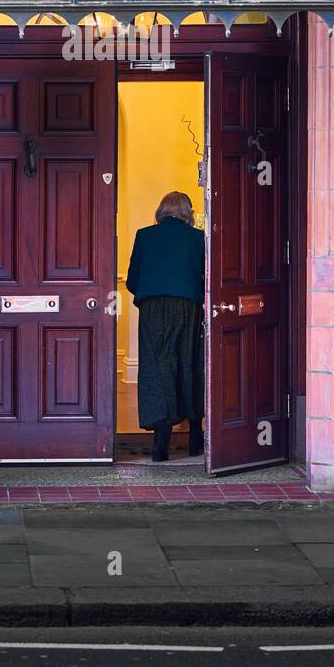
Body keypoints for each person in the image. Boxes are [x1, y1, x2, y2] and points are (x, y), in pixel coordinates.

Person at [126, 190, 205, 463]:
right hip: (186, 305)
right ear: (188, 212)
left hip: (152, 306)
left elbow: (132, 279)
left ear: (161, 210)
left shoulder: (145, 235)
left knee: (155, 367)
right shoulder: (197, 238)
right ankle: (196, 436)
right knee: (188, 363)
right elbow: (205, 277)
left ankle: (161, 442)